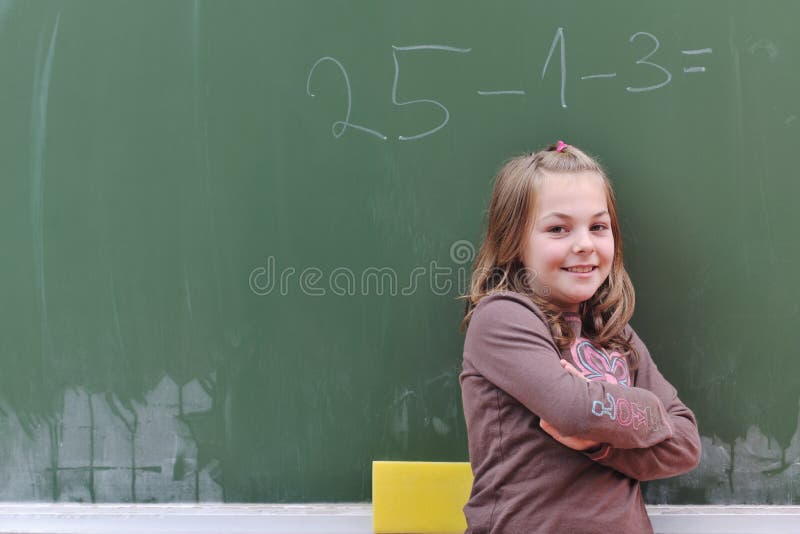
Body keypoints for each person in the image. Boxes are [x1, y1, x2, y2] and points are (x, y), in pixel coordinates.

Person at [458, 141, 701, 534]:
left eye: (598, 227)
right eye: (558, 229)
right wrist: (651, 415)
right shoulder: (503, 317)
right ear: (513, 242)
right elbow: (572, 410)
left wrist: (599, 444)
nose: (585, 244)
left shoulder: (614, 332)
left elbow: (686, 444)